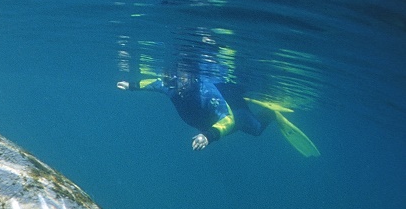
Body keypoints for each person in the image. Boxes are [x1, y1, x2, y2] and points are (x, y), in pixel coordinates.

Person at [118, 66, 319, 156]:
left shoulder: (206, 93)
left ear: (191, 79)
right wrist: (132, 85)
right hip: (206, 121)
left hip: (231, 111)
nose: (176, 84)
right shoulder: (171, 86)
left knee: (256, 129)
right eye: (174, 79)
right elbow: (154, 83)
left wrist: (209, 136)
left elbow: (229, 119)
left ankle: (270, 114)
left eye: (181, 79)